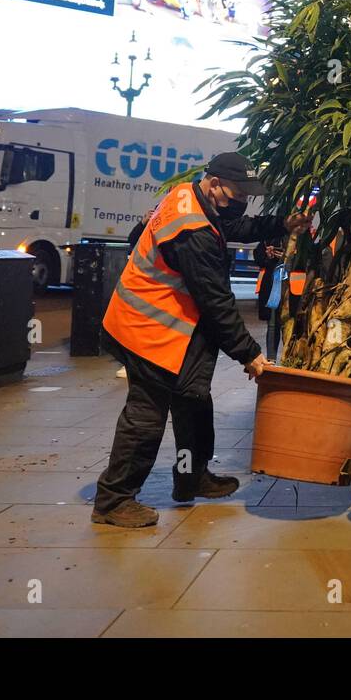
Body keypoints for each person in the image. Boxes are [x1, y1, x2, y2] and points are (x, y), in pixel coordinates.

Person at [91, 152, 309, 527]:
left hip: (173, 327)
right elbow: (215, 302)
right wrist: (250, 355)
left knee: (192, 398)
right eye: (237, 192)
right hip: (145, 329)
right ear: (214, 183)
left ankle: (192, 476)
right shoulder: (191, 231)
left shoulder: (193, 196)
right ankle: (113, 500)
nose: (241, 200)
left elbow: (234, 226)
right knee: (146, 414)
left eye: (246, 194)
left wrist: (281, 224)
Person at [253, 238, 286, 362]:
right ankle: (271, 359)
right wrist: (267, 256)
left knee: (289, 326)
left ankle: (288, 357)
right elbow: (259, 258)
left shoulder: (300, 238)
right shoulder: (267, 239)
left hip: (291, 289)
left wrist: (287, 257)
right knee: (273, 324)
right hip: (272, 288)